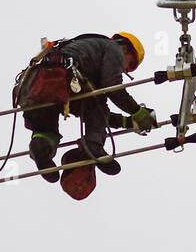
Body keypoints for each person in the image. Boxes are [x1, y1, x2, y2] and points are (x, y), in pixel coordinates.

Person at [20, 32, 156, 183]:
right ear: (126, 49)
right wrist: (137, 111)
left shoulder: (79, 48)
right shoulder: (114, 49)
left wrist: (128, 122)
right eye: (129, 65)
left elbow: (96, 116)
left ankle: (41, 148)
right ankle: (93, 145)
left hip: (38, 85)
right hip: (68, 78)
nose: (124, 69)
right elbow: (113, 87)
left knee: (45, 130)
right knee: (97, 103)